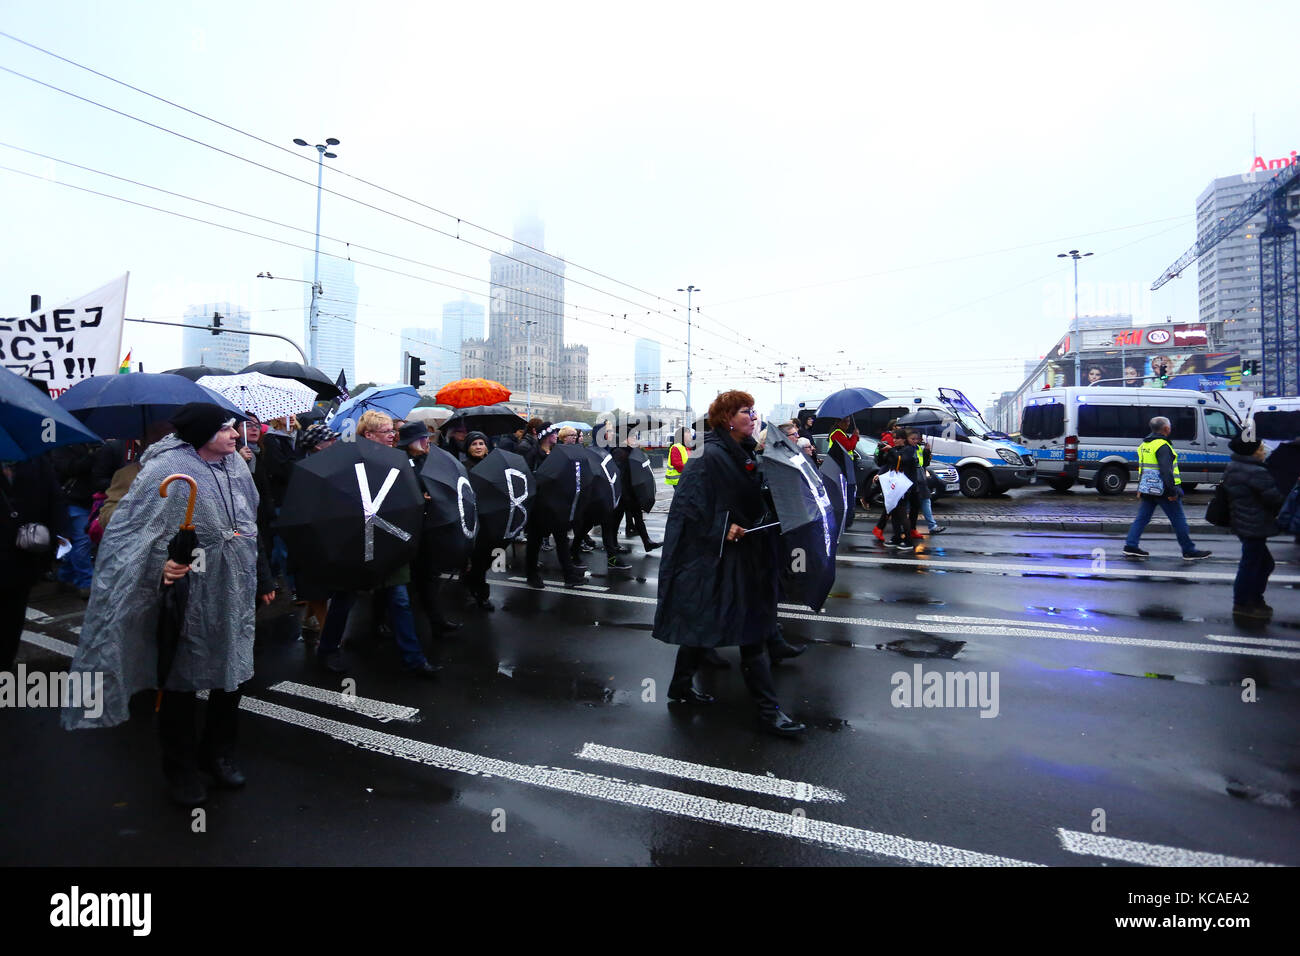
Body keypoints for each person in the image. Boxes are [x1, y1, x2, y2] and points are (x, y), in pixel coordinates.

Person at [63, 403, 276, 808]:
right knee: (180, 678)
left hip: (234, 590)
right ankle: (180, 770)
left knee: (231, 676)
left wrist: (262, 577)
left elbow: (250, 527)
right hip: (188, 595)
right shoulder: (166, 471)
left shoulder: (236, 467)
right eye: (227, 429)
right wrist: (163, 566)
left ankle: (219, 754)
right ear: (201, 434)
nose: (236, 435)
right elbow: (131, 535)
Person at [653, 389, 805, 736]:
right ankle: (769, 713)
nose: (753, 417)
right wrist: (723, 528)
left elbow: (753, 496)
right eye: (744, 411)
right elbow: (688, 509)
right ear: (726, 419)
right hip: (719, 556)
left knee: (706, 624)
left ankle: (679, 687)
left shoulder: (746, 452)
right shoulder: (708, 456)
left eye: (754, 411)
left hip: (747, 552)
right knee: (751, 632)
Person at [315, 411, 441, 678]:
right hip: (356, 542)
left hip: (389, 540)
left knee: (400, 600)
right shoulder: (348, 460)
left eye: (392, 430)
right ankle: (327, 649)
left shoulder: (397, 458)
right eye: (386, 431)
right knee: (344, 598)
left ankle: (413, 659)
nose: (393, 435)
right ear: (370, 435)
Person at [1, 453, 69, 669]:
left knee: (12, 620)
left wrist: (58, 537)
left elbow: (54, 498)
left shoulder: (35, 460)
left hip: (22, 558)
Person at [1122, 415, 1212, 561]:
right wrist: (1172, 491)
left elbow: (1143, 468)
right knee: (1178, 519)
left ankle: (1131, 545)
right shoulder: (1163, 446)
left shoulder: (1145, 445)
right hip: (1164, 490)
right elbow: (1166, 471)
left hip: (1148, 488)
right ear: (1166, 429)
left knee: (1142, 518)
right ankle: (1189, 550)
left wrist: (1140, 488)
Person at [288, 424, 341, 640]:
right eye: (331, 439)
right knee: (318, 586)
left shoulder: (329, 464)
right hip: (312, 537)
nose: (336, 442)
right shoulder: (306, 469)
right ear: (319, 446)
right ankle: (329, 639)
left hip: (327, 532)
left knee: (318, 585)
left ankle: (309, 620)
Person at [1223, 437, 1284, 620]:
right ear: (1252, 452)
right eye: (1260, 449)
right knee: (1252, 564)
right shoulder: (1255, 471)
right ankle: (1243, 603)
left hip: (1243, 522)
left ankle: (1253, 599)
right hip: (1254, 524)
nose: (1263, 451)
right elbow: (1275, 499)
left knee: (1261, 563)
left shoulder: (1234, 466)